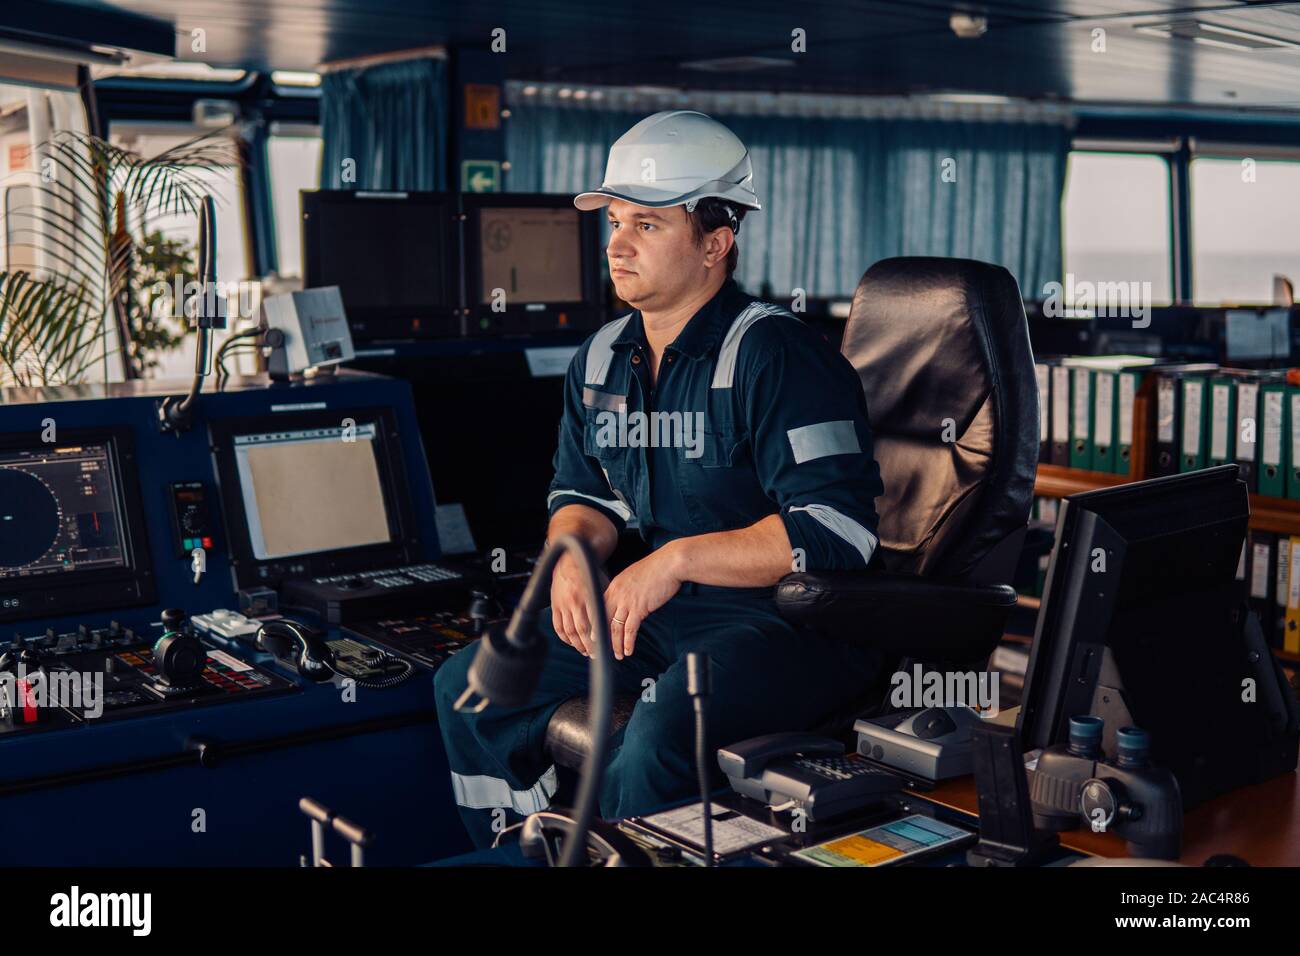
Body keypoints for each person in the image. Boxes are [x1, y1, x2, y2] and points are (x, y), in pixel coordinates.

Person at [434, 110, 886, 848]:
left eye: (646, 225)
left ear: (716, 243)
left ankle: (621, 853)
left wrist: (672, 561)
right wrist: (572, 560)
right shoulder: (604, 356)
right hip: (652, 611)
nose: (615, 244)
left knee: (653, 741)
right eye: (614, 221)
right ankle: (530, 846)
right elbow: (584, 495)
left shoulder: (780, 357)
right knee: (468, 690)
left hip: (781, 621)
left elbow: (836, 529)